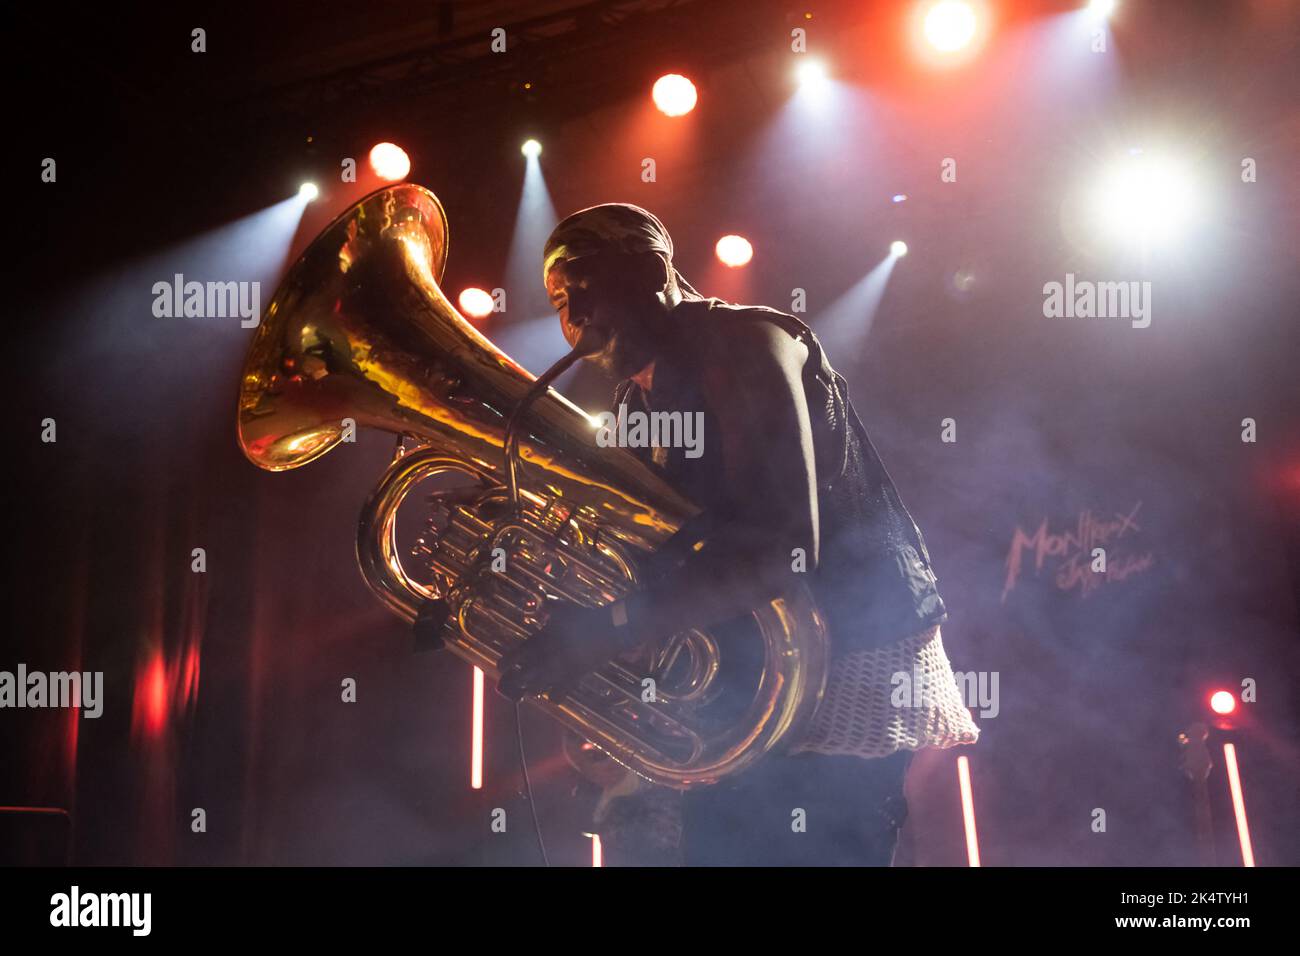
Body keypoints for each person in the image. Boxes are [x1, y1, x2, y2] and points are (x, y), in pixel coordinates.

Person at [493, 203, 979, 866]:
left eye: (585, 287)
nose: (574, 315)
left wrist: (608, 628)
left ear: (653, 272)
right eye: (557, 300)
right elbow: (677, 552)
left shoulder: (745, 343)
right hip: (756, 669)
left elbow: (782, 546)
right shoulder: (637, 402)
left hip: (847, 655)